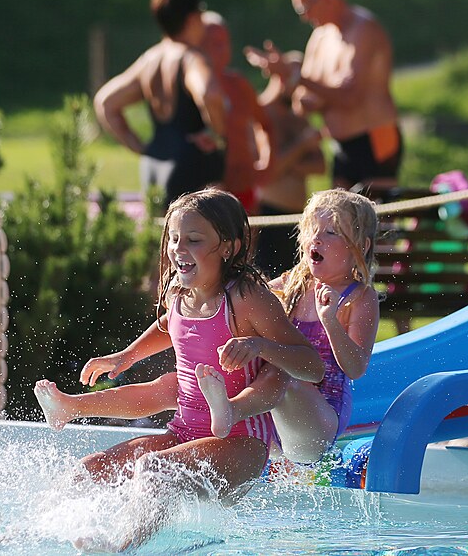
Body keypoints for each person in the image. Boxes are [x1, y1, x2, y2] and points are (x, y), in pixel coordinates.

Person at [34, 189, 321, 549]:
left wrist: (259, 345)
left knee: (154, 470)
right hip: (186, 433)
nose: (178, 249)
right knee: (94, 468)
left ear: (228, 247)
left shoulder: (246, 298)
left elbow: (312, 366)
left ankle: (122, 548)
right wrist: (126, 356)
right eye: (173, 238)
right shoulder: (178, 293)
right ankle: (25, 533)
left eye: (194, 240)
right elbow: (168, 325)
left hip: (240, 443)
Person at [36, 189, 379, 468]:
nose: (316, 240)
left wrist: (330, 321)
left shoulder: (359, 299)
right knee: (177, 385)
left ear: (360, 247)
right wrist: (128, 355)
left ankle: (231, 410)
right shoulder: (288, 284)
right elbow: (191, 318)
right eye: (312, 231)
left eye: (331, 232)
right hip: (268, 425)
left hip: (317, 421)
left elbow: (356, 367)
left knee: (281, 375)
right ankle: (73, 407)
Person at [248, 0, 402, 190]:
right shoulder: (320, 37)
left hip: (375, 136)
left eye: (305, 9)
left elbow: (350, 98)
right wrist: (283, 77)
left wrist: (296, 77)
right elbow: (303, 102)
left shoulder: (364, 30)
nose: (305, 17)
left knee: (378, 214)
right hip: (340, 143)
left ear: (329, 0)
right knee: (341, 214)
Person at [93, 0, 228, 210]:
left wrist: (140, 147)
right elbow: (209, 93)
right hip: (190, 168)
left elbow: (106, 102)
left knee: (162, 240)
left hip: (153, 167)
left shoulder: (150, 59)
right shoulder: (191, 58)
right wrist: (216, 133)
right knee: (196, 241)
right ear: (193, 18)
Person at [250, 50, 326, 277]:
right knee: (268, 281)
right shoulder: (262, 113)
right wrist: (301, 147)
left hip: (299, 216)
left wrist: (288, 163)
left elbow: (320, 166)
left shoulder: (298, 117)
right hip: (270, 215)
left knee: (297, 283)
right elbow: (267, 172)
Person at [200, 11, 276, 215]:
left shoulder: (239, 84)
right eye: (214, 43)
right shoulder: (188, 91)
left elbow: (265, 125)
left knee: (247, 246)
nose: (222, 49)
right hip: (204, 197)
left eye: (225, 42)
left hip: (244, 190)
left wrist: (266, 160)